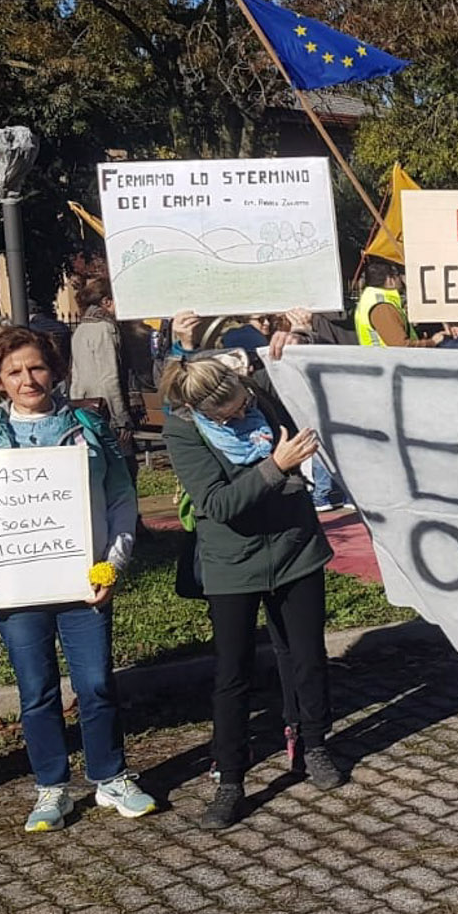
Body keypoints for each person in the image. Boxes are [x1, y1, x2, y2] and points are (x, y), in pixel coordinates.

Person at [0, 327, 154, 832]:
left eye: (36, 367)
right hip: (13, 587)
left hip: (83, 582)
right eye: (13, 371)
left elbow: (121, 496)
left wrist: (114, 560)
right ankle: (51, 786)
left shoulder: (85, 425)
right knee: (36, 690)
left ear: (54, 371)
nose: (27, 379)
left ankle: (111, 777)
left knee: (97, 683)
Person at [163, 355, 345, 830]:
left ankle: (314, 744)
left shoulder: (257, 393)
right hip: (232, 564)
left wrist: (297, 336)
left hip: (295, 548)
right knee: (232, 671)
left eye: (244, 404)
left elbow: (298, 371)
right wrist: (275, 466)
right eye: (230, 415)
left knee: (306, 655)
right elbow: (217, 504)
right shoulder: (184, 430)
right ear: (203, 411)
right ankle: (230, 777)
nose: (243, 415)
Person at [69, 278, 135, 450]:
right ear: (107, 301)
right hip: (107, 409)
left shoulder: (81, 329)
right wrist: (121, 418)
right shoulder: (106, 328)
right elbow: (110, 377)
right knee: (124, 465)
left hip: (85, 406)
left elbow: (75, 373)